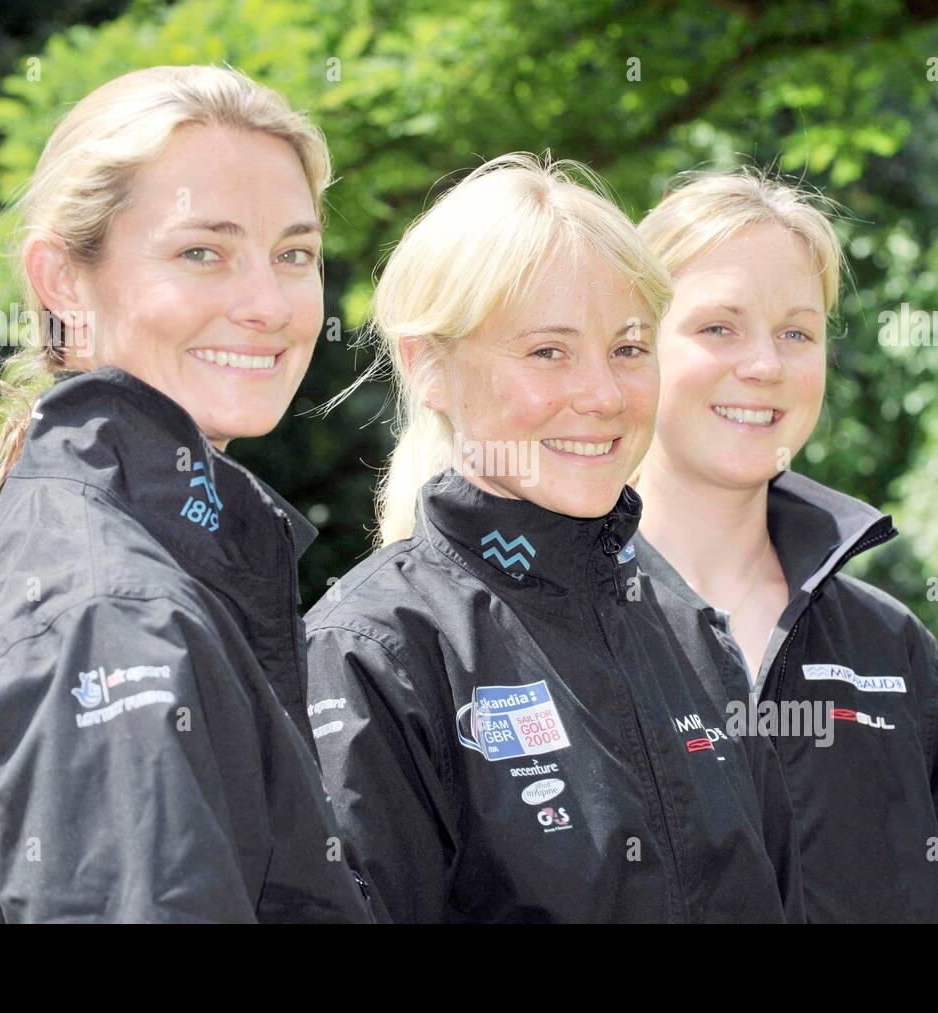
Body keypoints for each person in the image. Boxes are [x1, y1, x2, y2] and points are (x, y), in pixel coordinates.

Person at [0, 65, 373, 923]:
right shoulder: (110, 610)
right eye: (202, 252)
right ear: (64, 281)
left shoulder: (146, 557)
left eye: (294, 253)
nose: (268, 303)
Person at [303, 153, 803, 923]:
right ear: (428, 365)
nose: (602, 395)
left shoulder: (689, 628)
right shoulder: (371, 653)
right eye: (548, 351)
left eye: (629, 349)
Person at [630, 168, 938, 922]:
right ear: (634, 345)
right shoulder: (551, 634)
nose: (765, 365)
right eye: (718, 327)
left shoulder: (890, 647)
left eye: (797, 332)